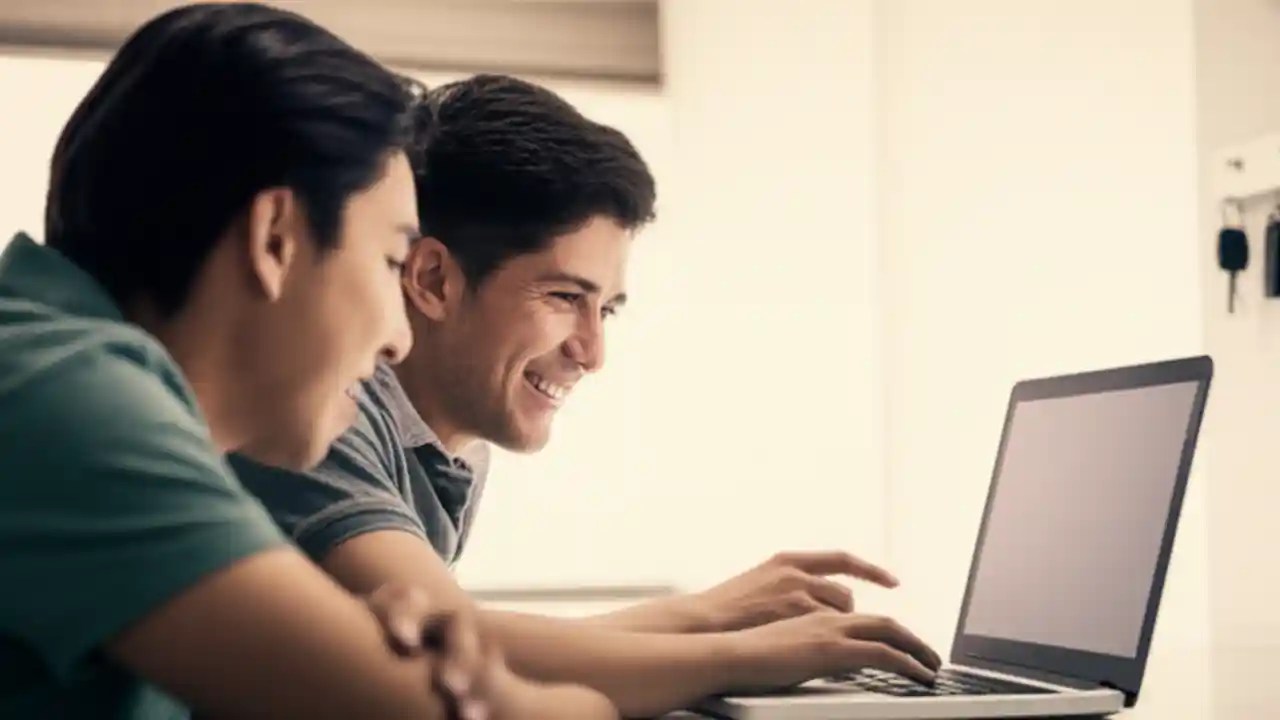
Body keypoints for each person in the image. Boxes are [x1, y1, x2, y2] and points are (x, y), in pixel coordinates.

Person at [232, 73, 942, 718]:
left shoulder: (445, 441)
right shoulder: (325, 413)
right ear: (433, 280)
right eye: (565, 296)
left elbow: (480, 641)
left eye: (608, 310)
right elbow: (446, 645)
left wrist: (707, 615)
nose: (592, 352)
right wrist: (759, 655)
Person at [0, 5, 611, 719]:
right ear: (277, 238)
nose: (398, 339)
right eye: (390, 262)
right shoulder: (66, 397)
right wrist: (509, 694)